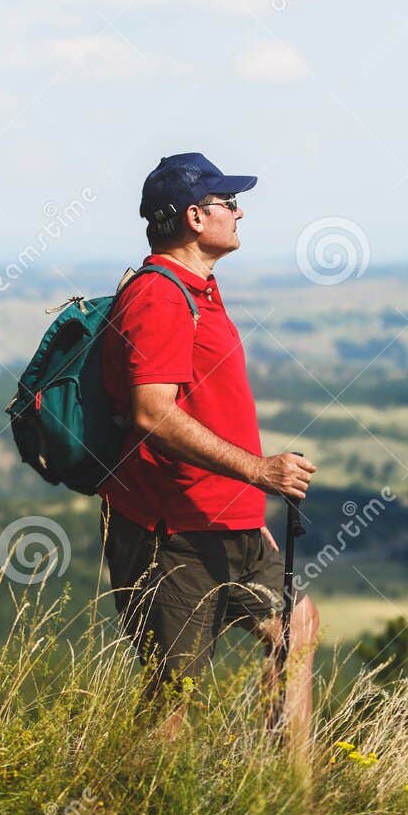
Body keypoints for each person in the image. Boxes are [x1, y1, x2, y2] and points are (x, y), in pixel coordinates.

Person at [98, 151, 319, 756]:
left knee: (297, 627)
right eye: (228, 203)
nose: (238, 210)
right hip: (172, 531)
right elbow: (151, 412)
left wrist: (248, 508)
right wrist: (257, 470)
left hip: (228, 521)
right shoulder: (159, 297)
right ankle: (133, 812)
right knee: (173, 697)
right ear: (196, 217)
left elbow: (207, 407)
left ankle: (286, 792)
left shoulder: (200, 289)